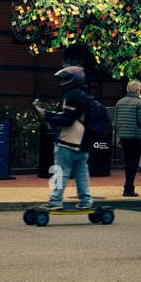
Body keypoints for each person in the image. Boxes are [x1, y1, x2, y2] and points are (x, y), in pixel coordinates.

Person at [37, 66, 94, 210]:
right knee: (81, 172)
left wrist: (47, 115)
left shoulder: (71, 96)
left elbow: (67, 119)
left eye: (63, 80)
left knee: (61, 171)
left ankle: (56, 200)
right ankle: (86, 200)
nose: (61, 83)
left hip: (68, 141)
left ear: (72, 81)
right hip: (83, 142)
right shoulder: (84, 96)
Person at [114, 80, 141, 197]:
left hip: (124, 137)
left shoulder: (119, 102)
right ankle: (129, 188)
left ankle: (127, 187)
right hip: (135, 137)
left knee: (127, 162)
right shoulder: (139, 104)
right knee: (133, 163)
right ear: (137, 90)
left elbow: (116, 121)